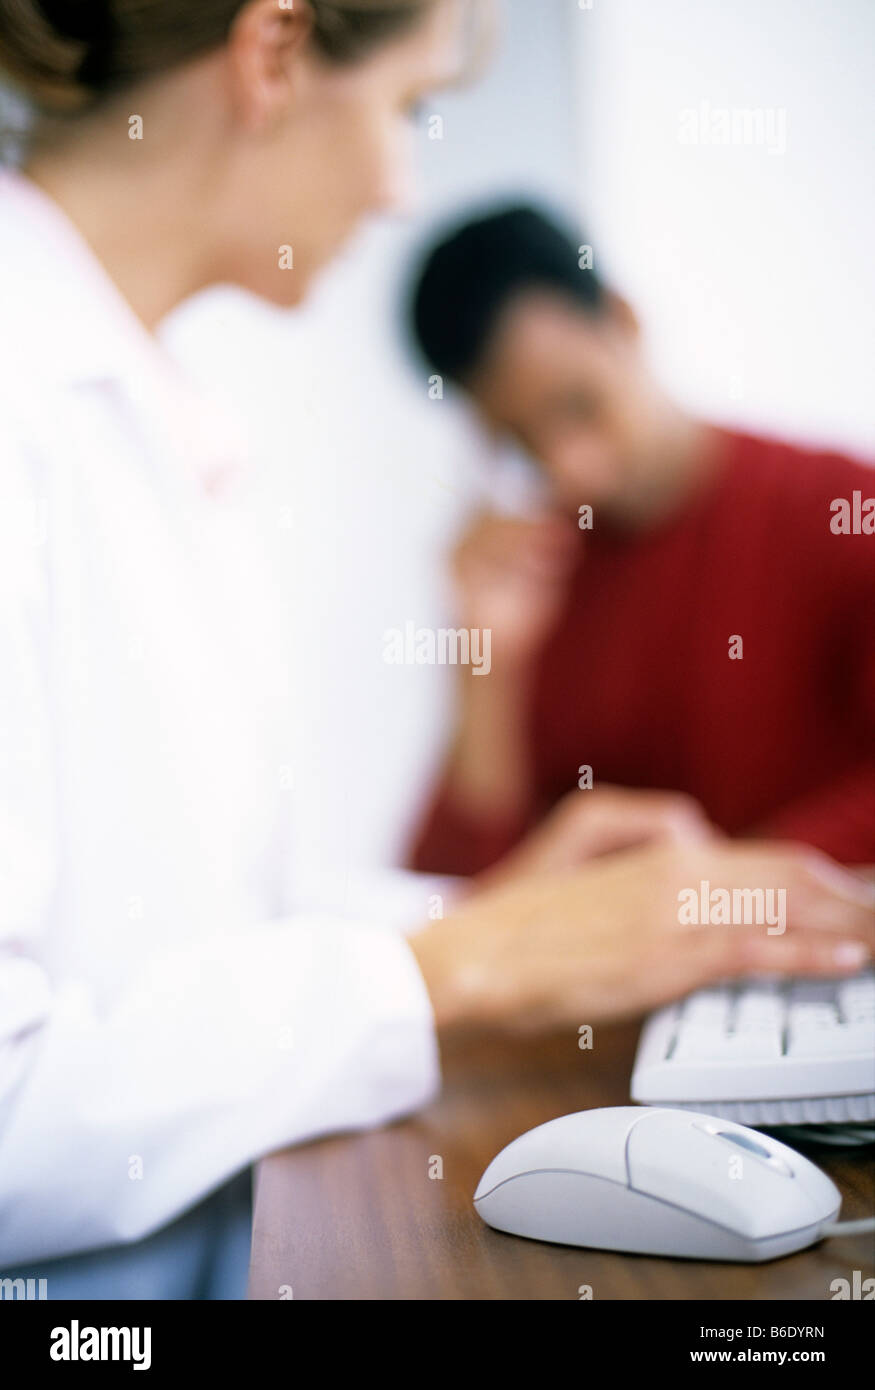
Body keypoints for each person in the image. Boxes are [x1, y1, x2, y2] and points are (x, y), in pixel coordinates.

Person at [0, 4, 871, 1302]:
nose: (404, 185)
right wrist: (471, 926)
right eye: (409, 107)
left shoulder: (147, 423)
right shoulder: (45, 410)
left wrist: (485, 921)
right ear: (272, 49)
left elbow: (204, 932)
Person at [406, 205, 875, 877]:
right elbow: (450, 892)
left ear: (622, 319)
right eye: (519, 441)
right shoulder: (537, 578)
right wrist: (484, 675)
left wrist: (706, 891)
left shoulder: (840, 509)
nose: (569, 467)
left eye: (577, 405)